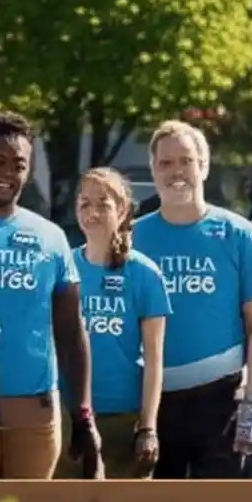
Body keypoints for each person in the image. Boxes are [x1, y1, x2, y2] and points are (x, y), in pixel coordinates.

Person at [0, 111, 99, 480]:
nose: (7, 173)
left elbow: (70, 330)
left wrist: (82, 413)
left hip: (33, 408)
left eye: (19, 164)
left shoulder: (50, 238)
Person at [132, 119, 252, 479]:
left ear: (204, 167)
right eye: (166, 163)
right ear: (153, 169)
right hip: (153, 404)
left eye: (186, 161)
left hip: (222, 400)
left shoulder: (240, 235)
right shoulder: (131, 238)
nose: (176, 171)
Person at [59, 167, 172, 479]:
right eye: (84, 204)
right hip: (71, 417)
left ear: (122, 211)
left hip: (124, 416)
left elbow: (154, 358)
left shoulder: (145, 274)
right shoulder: (62, 268)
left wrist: (148, 428)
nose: (92, 212)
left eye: (103, 204)